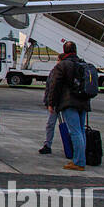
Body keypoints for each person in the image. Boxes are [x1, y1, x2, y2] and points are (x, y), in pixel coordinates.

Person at [44, 40, 92, 170]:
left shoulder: (63, 65)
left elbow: (55, 85)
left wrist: (51, 103)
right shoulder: (82, 63)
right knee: (81, 131)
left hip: (69, 102)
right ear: (75, 50)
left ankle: (79, 162)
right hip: (83, 101)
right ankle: (80, 158)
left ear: (64, 50)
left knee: (75, 132)